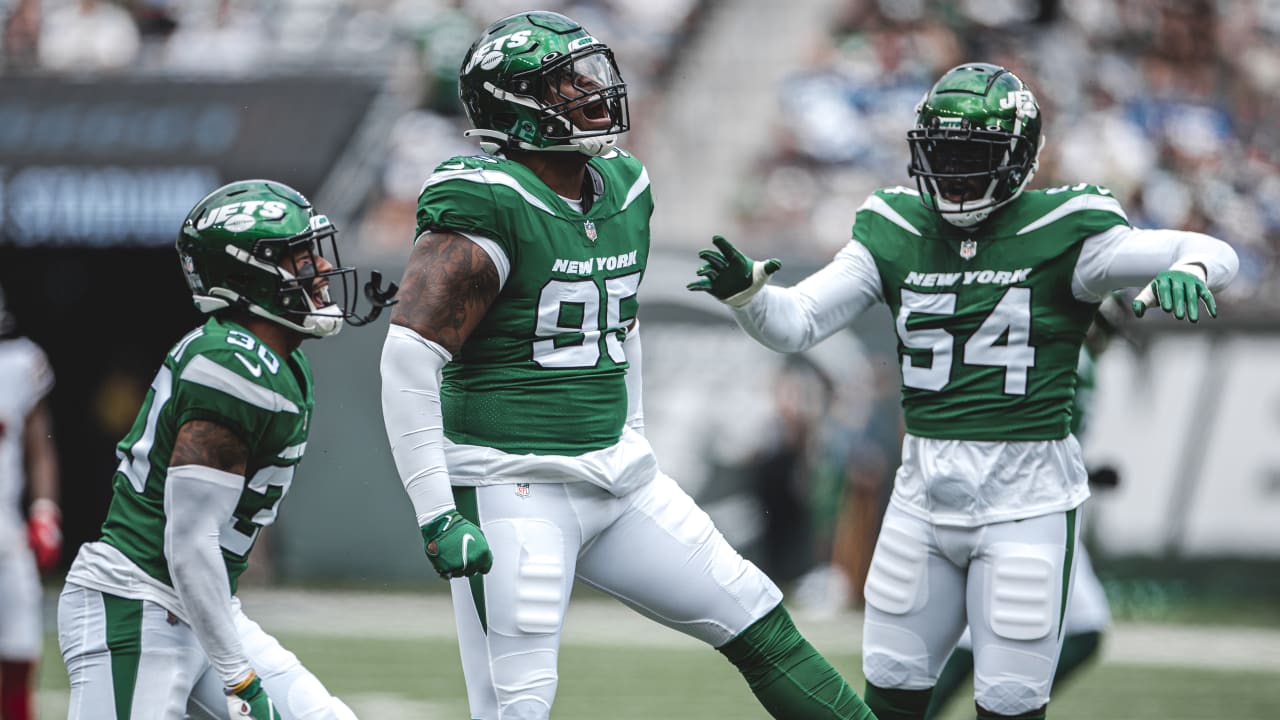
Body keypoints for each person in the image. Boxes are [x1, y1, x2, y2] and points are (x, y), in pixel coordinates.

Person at [688, 62, 1238, 720]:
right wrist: (750, 298)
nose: (952, 170)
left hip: (1028, 501)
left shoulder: (1069, 226)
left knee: (1008, 704)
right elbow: (797, 321)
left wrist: (1195, 268)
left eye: (972, 156)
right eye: (940, 152)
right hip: (922, 496)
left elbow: (1209, 248)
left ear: (1018, 158)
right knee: (890, 696)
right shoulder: (893, 226)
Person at [379, 11, 875, 720]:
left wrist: (633, 432)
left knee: (759, 618)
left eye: (590, 76)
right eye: (566, 84)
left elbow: (624, 322)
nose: (593, 92)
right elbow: (407, 358)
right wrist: (435, 512)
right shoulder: (485, 200)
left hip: (619, 476)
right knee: (516, 705)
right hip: (513, 484)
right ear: (517, 111)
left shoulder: (624, 186)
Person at [58, 179, 398, 720]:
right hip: (139, 605)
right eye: (299, 256)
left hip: (197, 607)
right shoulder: (233, 364)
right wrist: (240, 678)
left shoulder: (280, 359)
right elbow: (189, 541)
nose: (321, 269)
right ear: (249, 275)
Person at [922, 298, 1129, 720]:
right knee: (1081, 627)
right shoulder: (1076, 360)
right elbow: (1039, 444)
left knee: (975, 631)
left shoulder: (1052, 350)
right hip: (1028, 509)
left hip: (1003, 498)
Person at [0, 285, 61, 720]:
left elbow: (40, 446)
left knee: (20, 651)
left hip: (4, 531)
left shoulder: (20, 361)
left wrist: (44, 510)